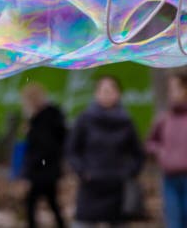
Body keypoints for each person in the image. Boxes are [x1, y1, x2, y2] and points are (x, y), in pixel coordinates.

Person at [67, 75, 144, 227]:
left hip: (117, 186)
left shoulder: (126, 121)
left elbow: (138, 153)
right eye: (103, 90)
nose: (107, 94)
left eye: (111, 90)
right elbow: (72, 150)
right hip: (91, 185)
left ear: (118, 94)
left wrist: (129, 173)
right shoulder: (85, 119)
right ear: (96, 93)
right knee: (83, 223)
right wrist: (83, 171)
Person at [20, 83, 67, 228]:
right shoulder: (50, 116)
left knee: (31, 203)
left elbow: (44, 146)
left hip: (42, 169)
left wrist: (31, 167)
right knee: (51, 201)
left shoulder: (43, 119)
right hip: (48, 168)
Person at [147, 71, 187, 228]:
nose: (171, 93)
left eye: (175, 88)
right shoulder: (164, 118)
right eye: (169, 89)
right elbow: (150, 143)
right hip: (170, 178)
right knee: (174, 222)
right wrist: (161, 152)